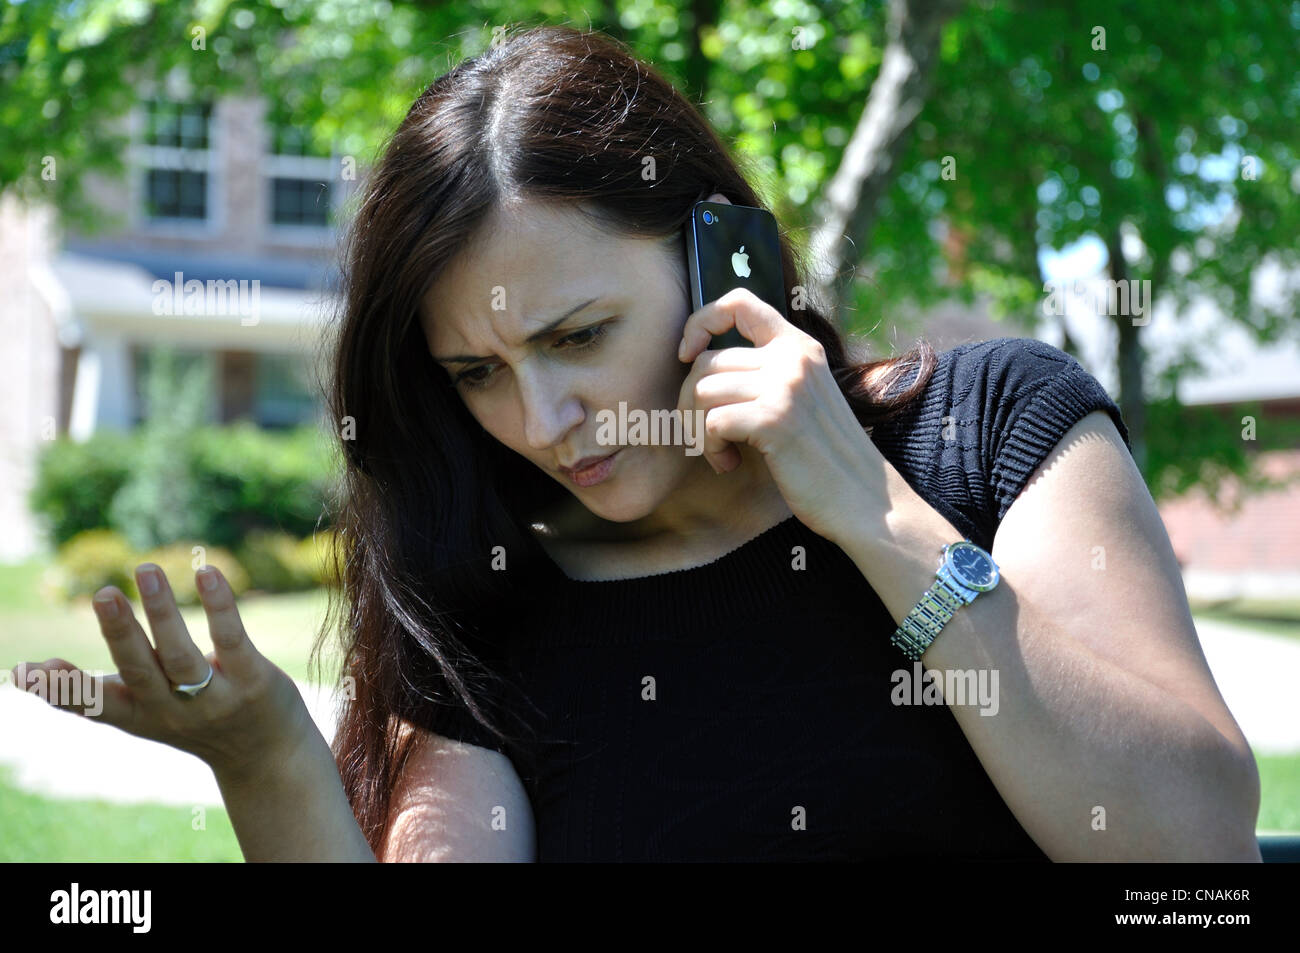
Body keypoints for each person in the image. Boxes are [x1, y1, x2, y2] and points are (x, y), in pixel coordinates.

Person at [12, 25, 1260, 862]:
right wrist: (272, 759)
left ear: (726, 261)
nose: (540, 422)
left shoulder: (988, 427)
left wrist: (872, 516)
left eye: (577, 335)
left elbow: (1190, 839)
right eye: (475, 374)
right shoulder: (489, 585)